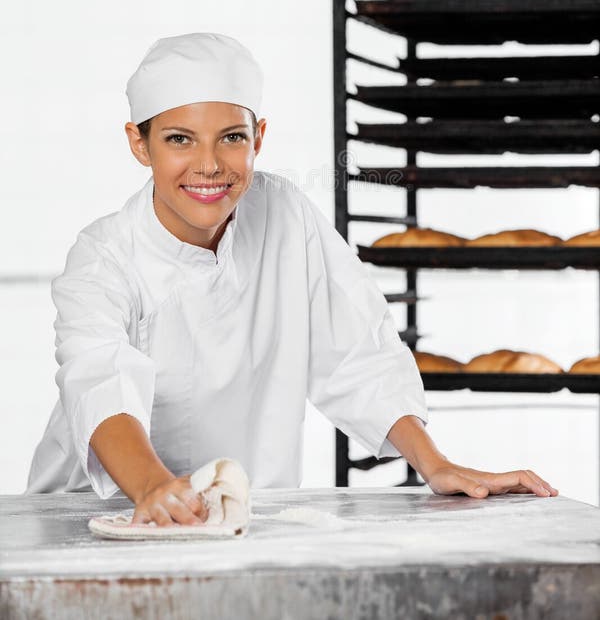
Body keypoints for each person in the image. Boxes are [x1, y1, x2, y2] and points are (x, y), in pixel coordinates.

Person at [26, 32, 558, 526]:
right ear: (140, 146)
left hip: (238, 517)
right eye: (180, 139)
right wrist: (154, 489)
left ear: (259, 136)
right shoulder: (105, 254)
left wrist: (435, 464)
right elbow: (101, 379)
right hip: (95, 518)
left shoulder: (284, 214)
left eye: (231, 137)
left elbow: (357, 350)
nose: (209, 165)